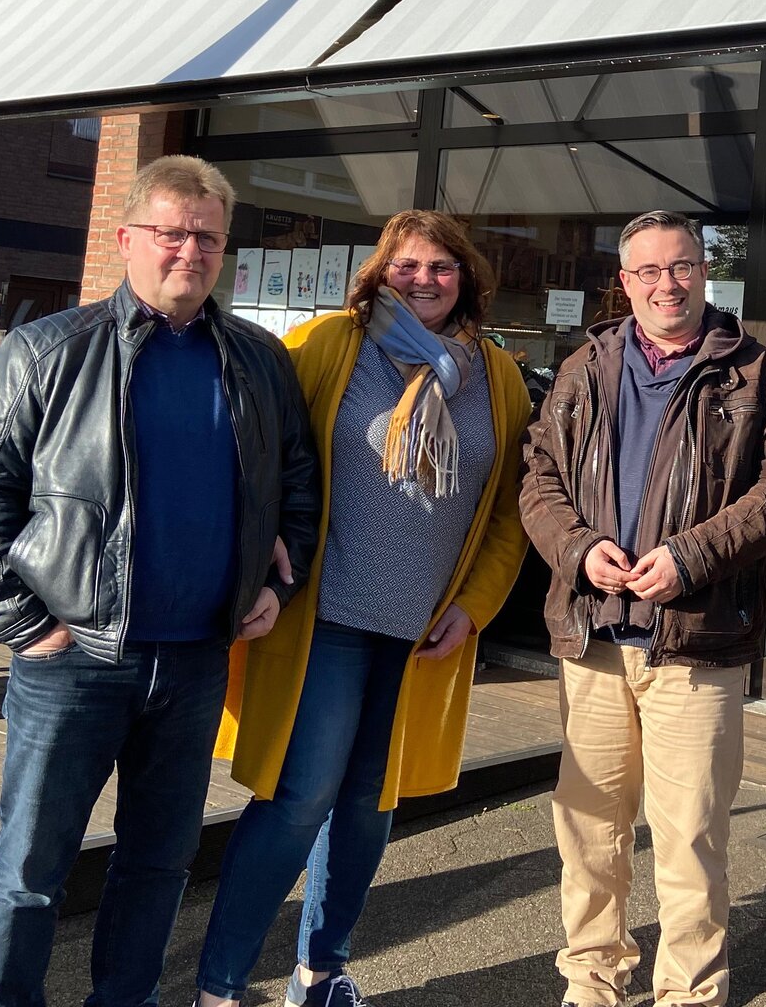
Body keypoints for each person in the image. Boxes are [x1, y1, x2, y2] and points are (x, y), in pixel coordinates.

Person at [0, 155, 322, 1007]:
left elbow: (298, 486)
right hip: (70, 657)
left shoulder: (259, 360)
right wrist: (20, 622)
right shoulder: (48, 350)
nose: (189, 250)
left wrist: (278, 587)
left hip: (194, 660)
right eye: (171, 232)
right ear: (127, 239)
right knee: (30, 870)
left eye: (208, 237)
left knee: (158, 863)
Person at [197, 211, 533, 1007]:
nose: (424, 279)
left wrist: (477, 607)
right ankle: (219, 985)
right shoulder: (328, 345)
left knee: (368, 810)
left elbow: (508, 512)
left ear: (468, 280)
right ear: (380, 273)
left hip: (422, 634)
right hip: (326, 618)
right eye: (408, 265)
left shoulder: (497, 374)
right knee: (298, 797)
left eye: (442, 267)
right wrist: (257, 559)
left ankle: (320, 973)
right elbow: (254, 451)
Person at [520, 210, 766, 1007]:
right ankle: (593, 982)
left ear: (703, 271)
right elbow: (537, 478)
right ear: (624, 282)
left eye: (679, 267)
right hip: (596, 638)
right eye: (646, 272)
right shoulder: (587, 366)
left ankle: (690, 993)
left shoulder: (755, 371)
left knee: (689, 840)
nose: (665, 284)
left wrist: (691, 557)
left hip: (697, 642)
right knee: (588, 833)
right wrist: (577, 548)